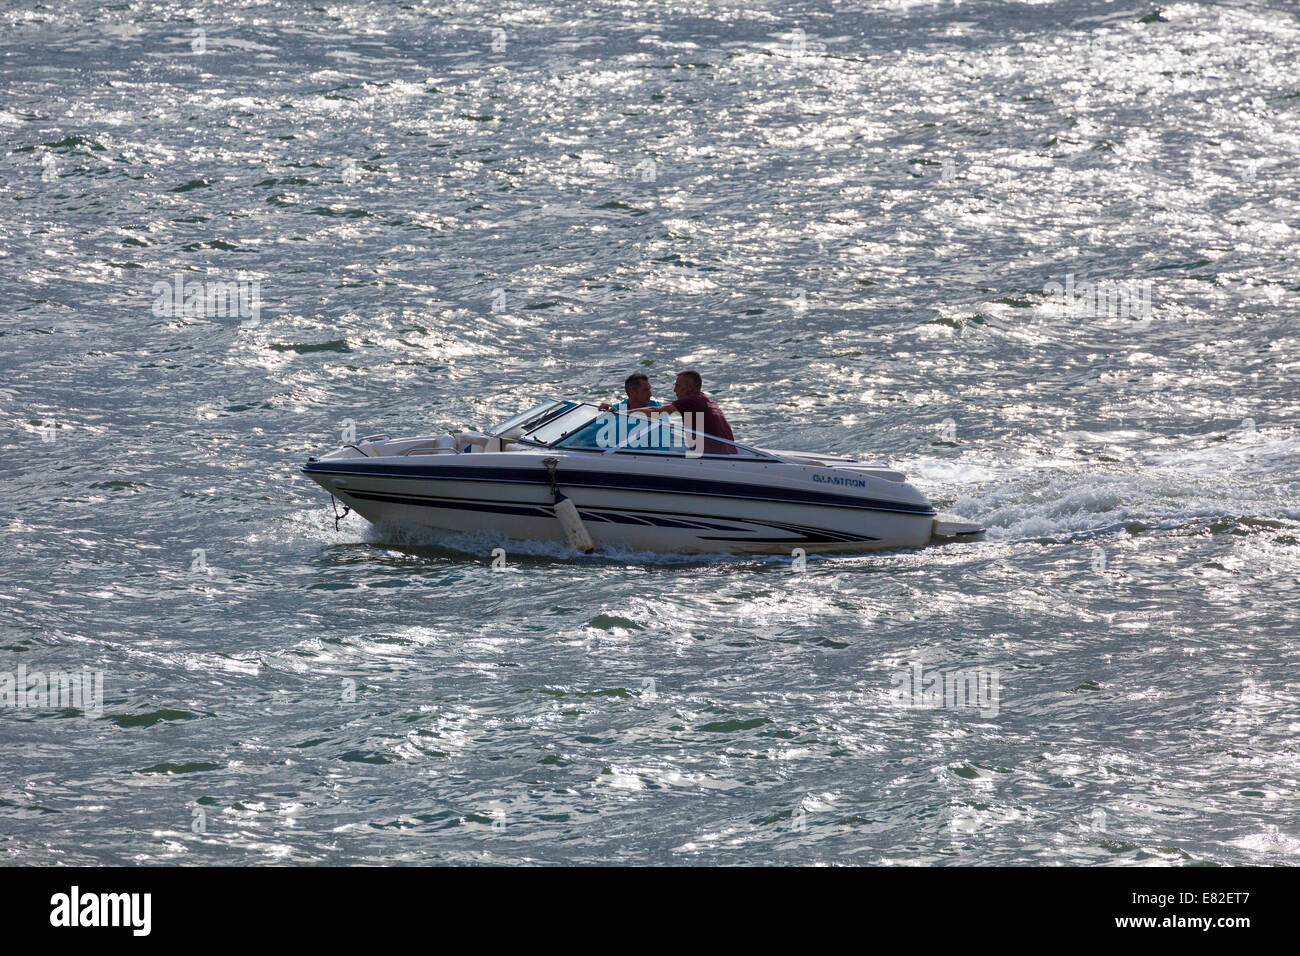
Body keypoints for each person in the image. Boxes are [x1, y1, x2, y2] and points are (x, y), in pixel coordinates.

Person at [631, 370, 736, 455]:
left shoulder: (691, 400)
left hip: (714, 458)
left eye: (678, 386)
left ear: (689, 388)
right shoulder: (709, 402)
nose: (674, 390)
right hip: (730, 455)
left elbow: (657, 412)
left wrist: (623, 413)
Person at [569, 373, 662, 448]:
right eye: (646, 390)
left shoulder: (657, 409)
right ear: (632, 393)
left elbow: (661, 445)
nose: (650, 394)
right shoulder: (615, 410)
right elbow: (589, 436)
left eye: (649, 389)